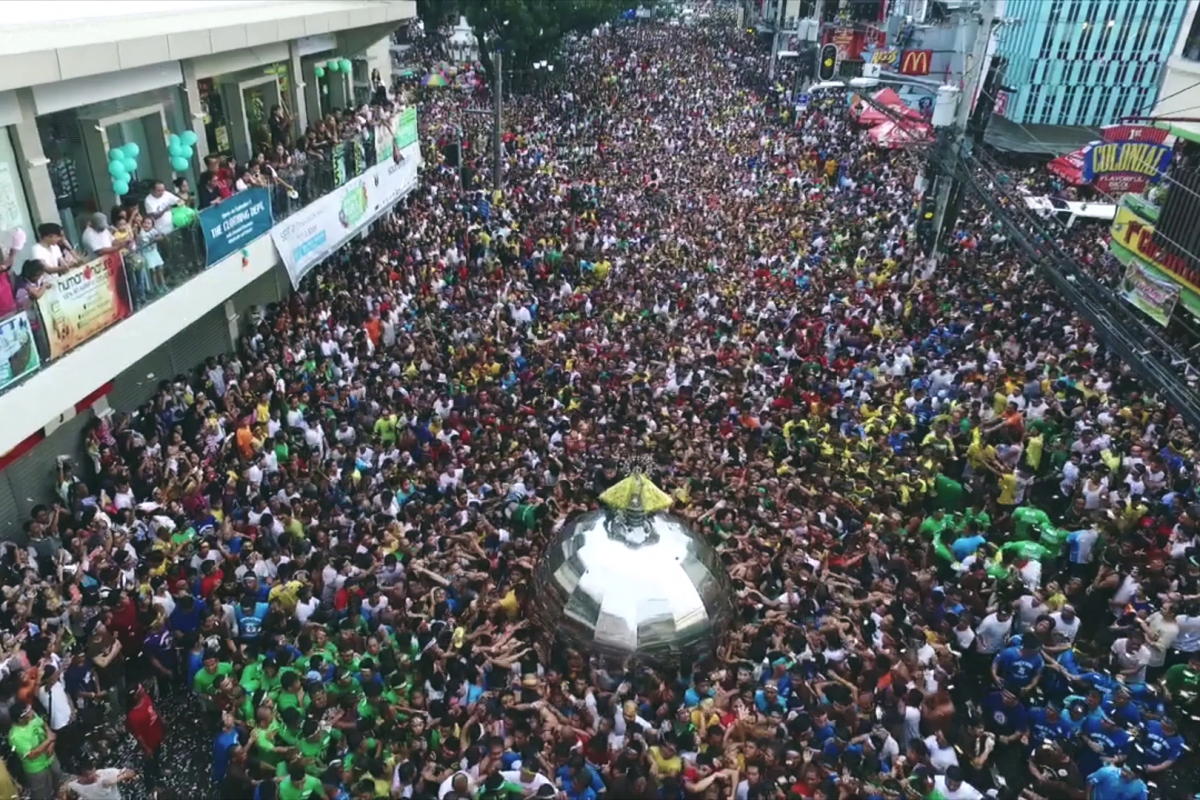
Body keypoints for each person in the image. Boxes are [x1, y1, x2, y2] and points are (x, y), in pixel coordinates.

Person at [7, 701, 63, 800]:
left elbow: (43, 724)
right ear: (20, 719)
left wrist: (51, 742)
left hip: (49, 757)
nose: (31, 714)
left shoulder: (32, 717)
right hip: (36, 767)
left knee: (56, 775)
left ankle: (56, 795)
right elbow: (32, 754)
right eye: (27, 714)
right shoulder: (16, 736)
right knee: (40, 792)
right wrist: (49, 740)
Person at [125, 684, 166, 791]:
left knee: (157, 754)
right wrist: (146, 748)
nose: (143, 689)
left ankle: (158, 772)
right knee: (148, 764)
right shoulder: (133, 716)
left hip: (157, 733)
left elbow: (154, 708)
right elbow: (138, 735)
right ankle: (150, 785)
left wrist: (161, 719)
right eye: (140, 689)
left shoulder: (146, 697)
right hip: (148, 741)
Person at [63, 756, 137, 800]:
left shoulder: (106, 773)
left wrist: (118, 779)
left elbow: (130, 772)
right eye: (86, 775)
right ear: (80, 776)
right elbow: (65, 793)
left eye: (92, 773)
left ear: (94, 769)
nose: (90, 777)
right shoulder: (73, 785)